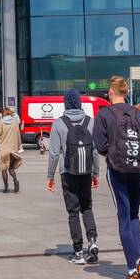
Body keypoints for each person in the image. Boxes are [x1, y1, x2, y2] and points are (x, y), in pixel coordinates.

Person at [93, 75, 140, 279]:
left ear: (111, 92)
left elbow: (100, 144)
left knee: (124, 218)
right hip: (138, 169)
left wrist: (114, 153)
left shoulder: (104, 114)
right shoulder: (139, 114)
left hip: (117, 170)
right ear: (126, 92)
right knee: (134, 215)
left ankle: (132, 271)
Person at [46, 89, 100, 264]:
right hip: (86, 171)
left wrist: (50, 176)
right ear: (79, 102)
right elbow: (95, 152)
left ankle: (78, 252)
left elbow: (54, 153)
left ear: (65, 103)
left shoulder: (58, 123)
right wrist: (96, 173)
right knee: (87, 207)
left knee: (73, 212)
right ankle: (92, 241)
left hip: (67, 172)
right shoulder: (90, 122)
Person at [0, 107, 24, 193]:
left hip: (3, 149)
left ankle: (6, 188)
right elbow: (18, 135)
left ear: (3, 113)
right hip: (12, 149)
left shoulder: (0, 123)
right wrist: (19, 146)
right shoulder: (15, 122)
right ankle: (15, 180)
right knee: (11, 168)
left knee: (3, 168)